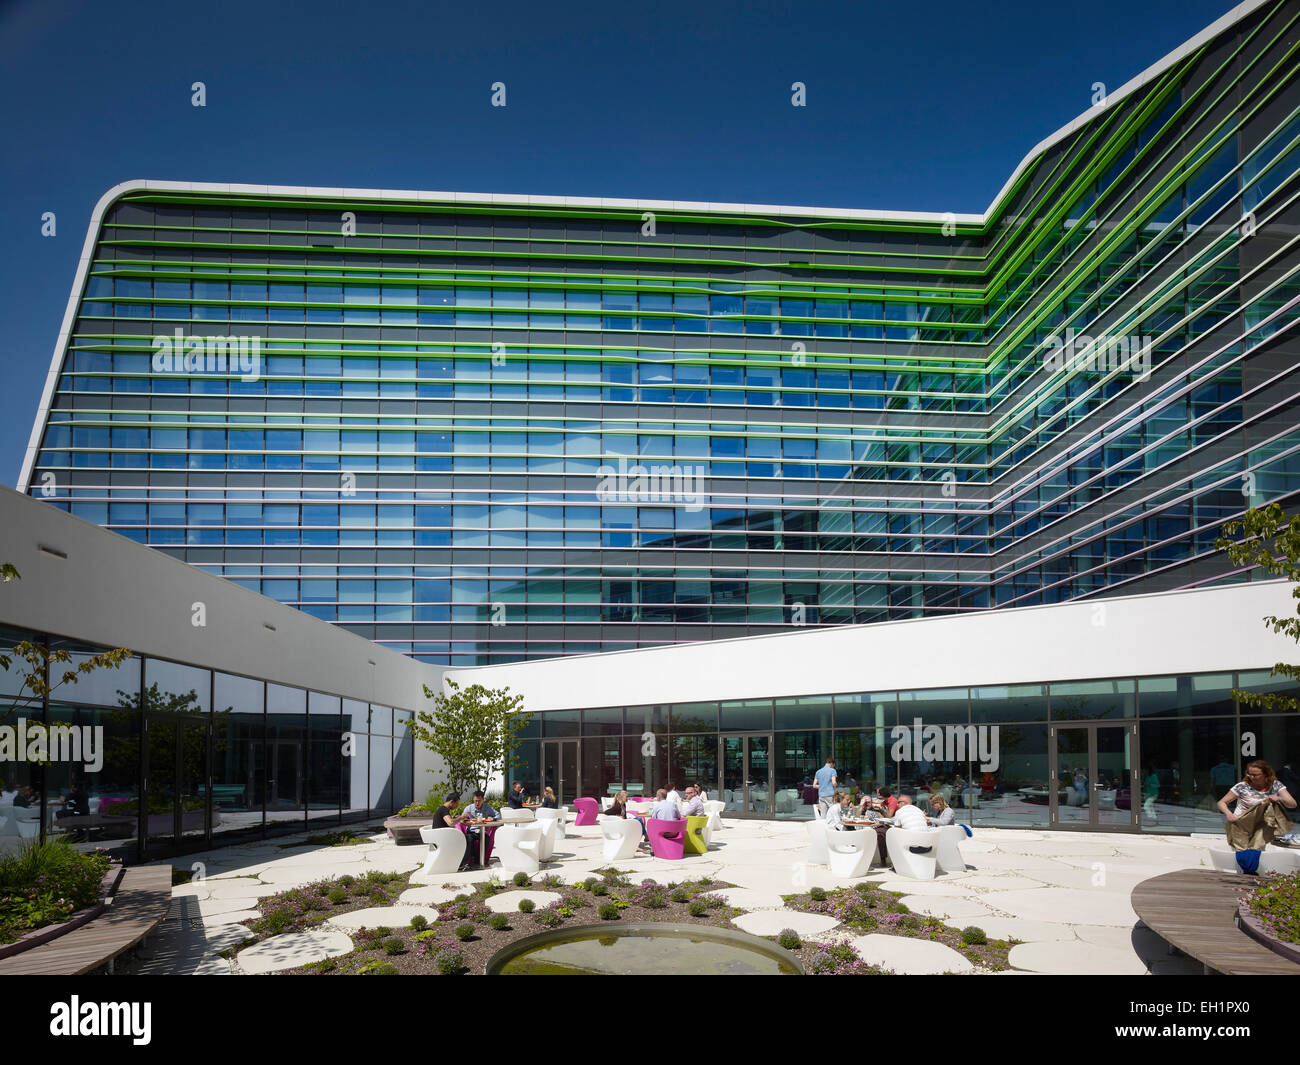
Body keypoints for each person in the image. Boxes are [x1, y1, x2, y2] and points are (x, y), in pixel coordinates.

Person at [1217, 760, 1296, 849]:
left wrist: (1279, 798)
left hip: (1261, 828)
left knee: (1257, 852)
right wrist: (1229, 814)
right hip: (1241, 824)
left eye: (1255, 775)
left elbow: (1292, 804)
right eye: (1249, 774)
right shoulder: (1242, 786)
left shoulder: (1275, 785)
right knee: (1240, 852)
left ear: (1266, 774)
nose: (1251, 777)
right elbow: (1221, 802)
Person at [461, 790, 498, 867]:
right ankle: (466, 862)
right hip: (471, 831)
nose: (477, 803)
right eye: (475, 801)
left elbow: (498, 815)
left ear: (483, 799)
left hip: (482, 831)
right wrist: (465, 817)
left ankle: (480, 859)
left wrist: (493, 818)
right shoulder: (469, 808)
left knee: (487, 838)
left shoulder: (487, 807)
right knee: (469, 839)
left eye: (479, 801)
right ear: (473, 799)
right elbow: (462, 820)